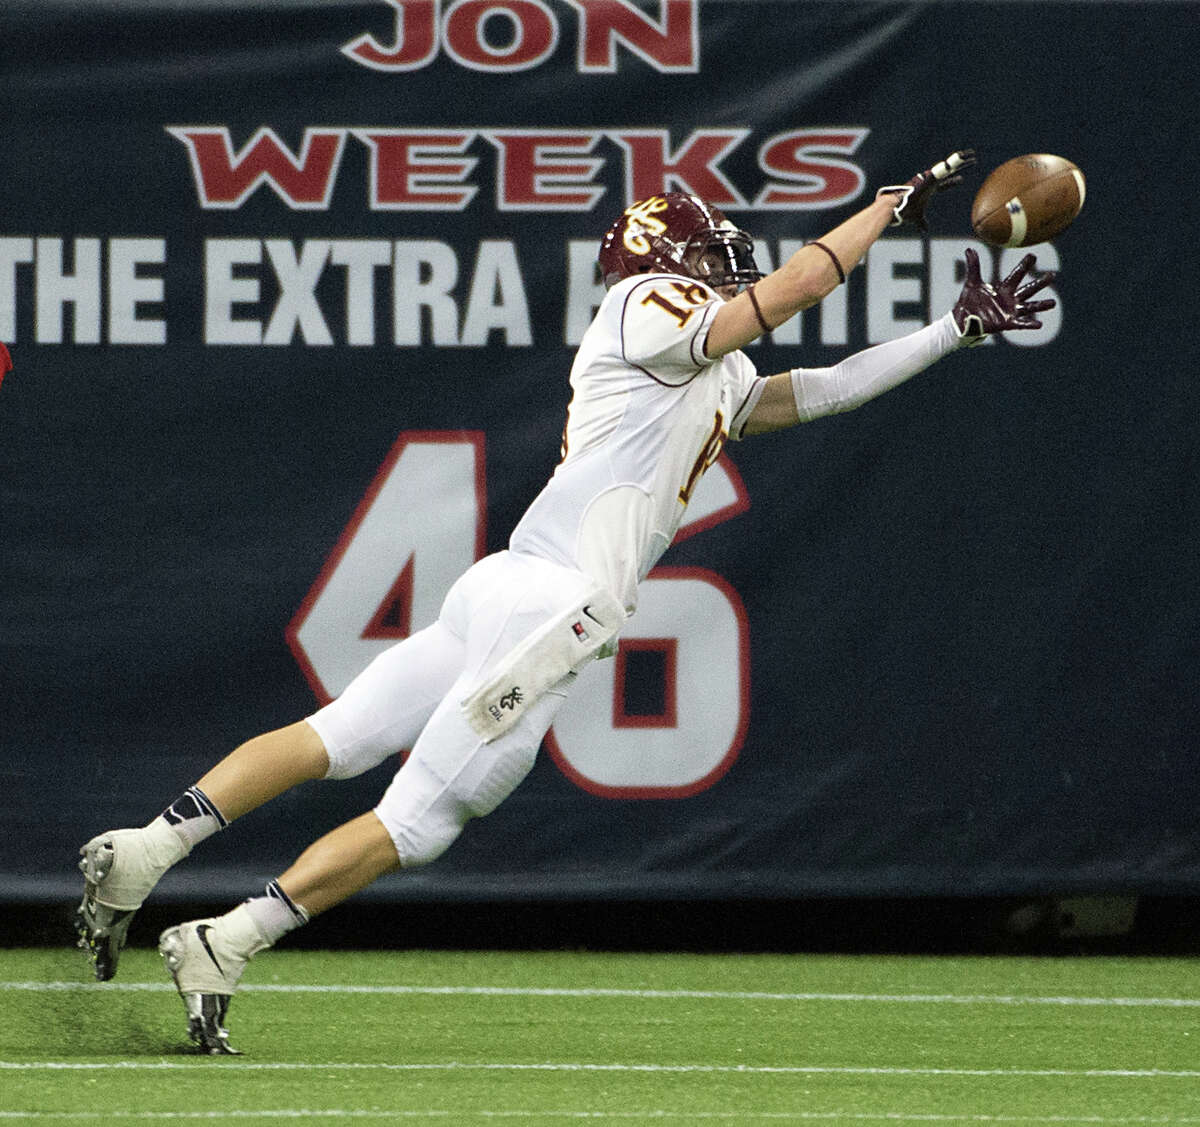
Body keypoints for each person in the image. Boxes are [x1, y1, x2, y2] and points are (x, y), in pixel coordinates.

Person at [75, 149, 1057, 1054]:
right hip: (553, 606)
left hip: (508, 582)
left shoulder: (715, 369)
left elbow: (826, 387)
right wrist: (885, 209)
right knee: (419, 820)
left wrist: (951, 331)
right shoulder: (645, 303)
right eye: (703, 246)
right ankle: (228, 937)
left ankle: (148, 847)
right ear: (660, 259)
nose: (721, 258)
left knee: (336, 736)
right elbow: (797, 286)